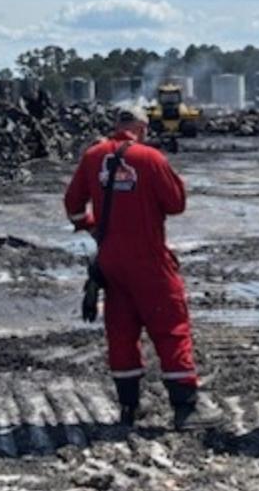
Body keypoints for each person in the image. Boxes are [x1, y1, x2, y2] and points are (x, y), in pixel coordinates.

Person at [64, 106, 207, 430]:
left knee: (121, 331)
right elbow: (176, 204)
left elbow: (72, 205)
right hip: (149, 259)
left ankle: (129, 408)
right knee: (171, 328)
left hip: (111, 260)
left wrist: (91, 226)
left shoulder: (92, 156)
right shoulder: (151, 158)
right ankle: (186, 410)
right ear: (141, 128)